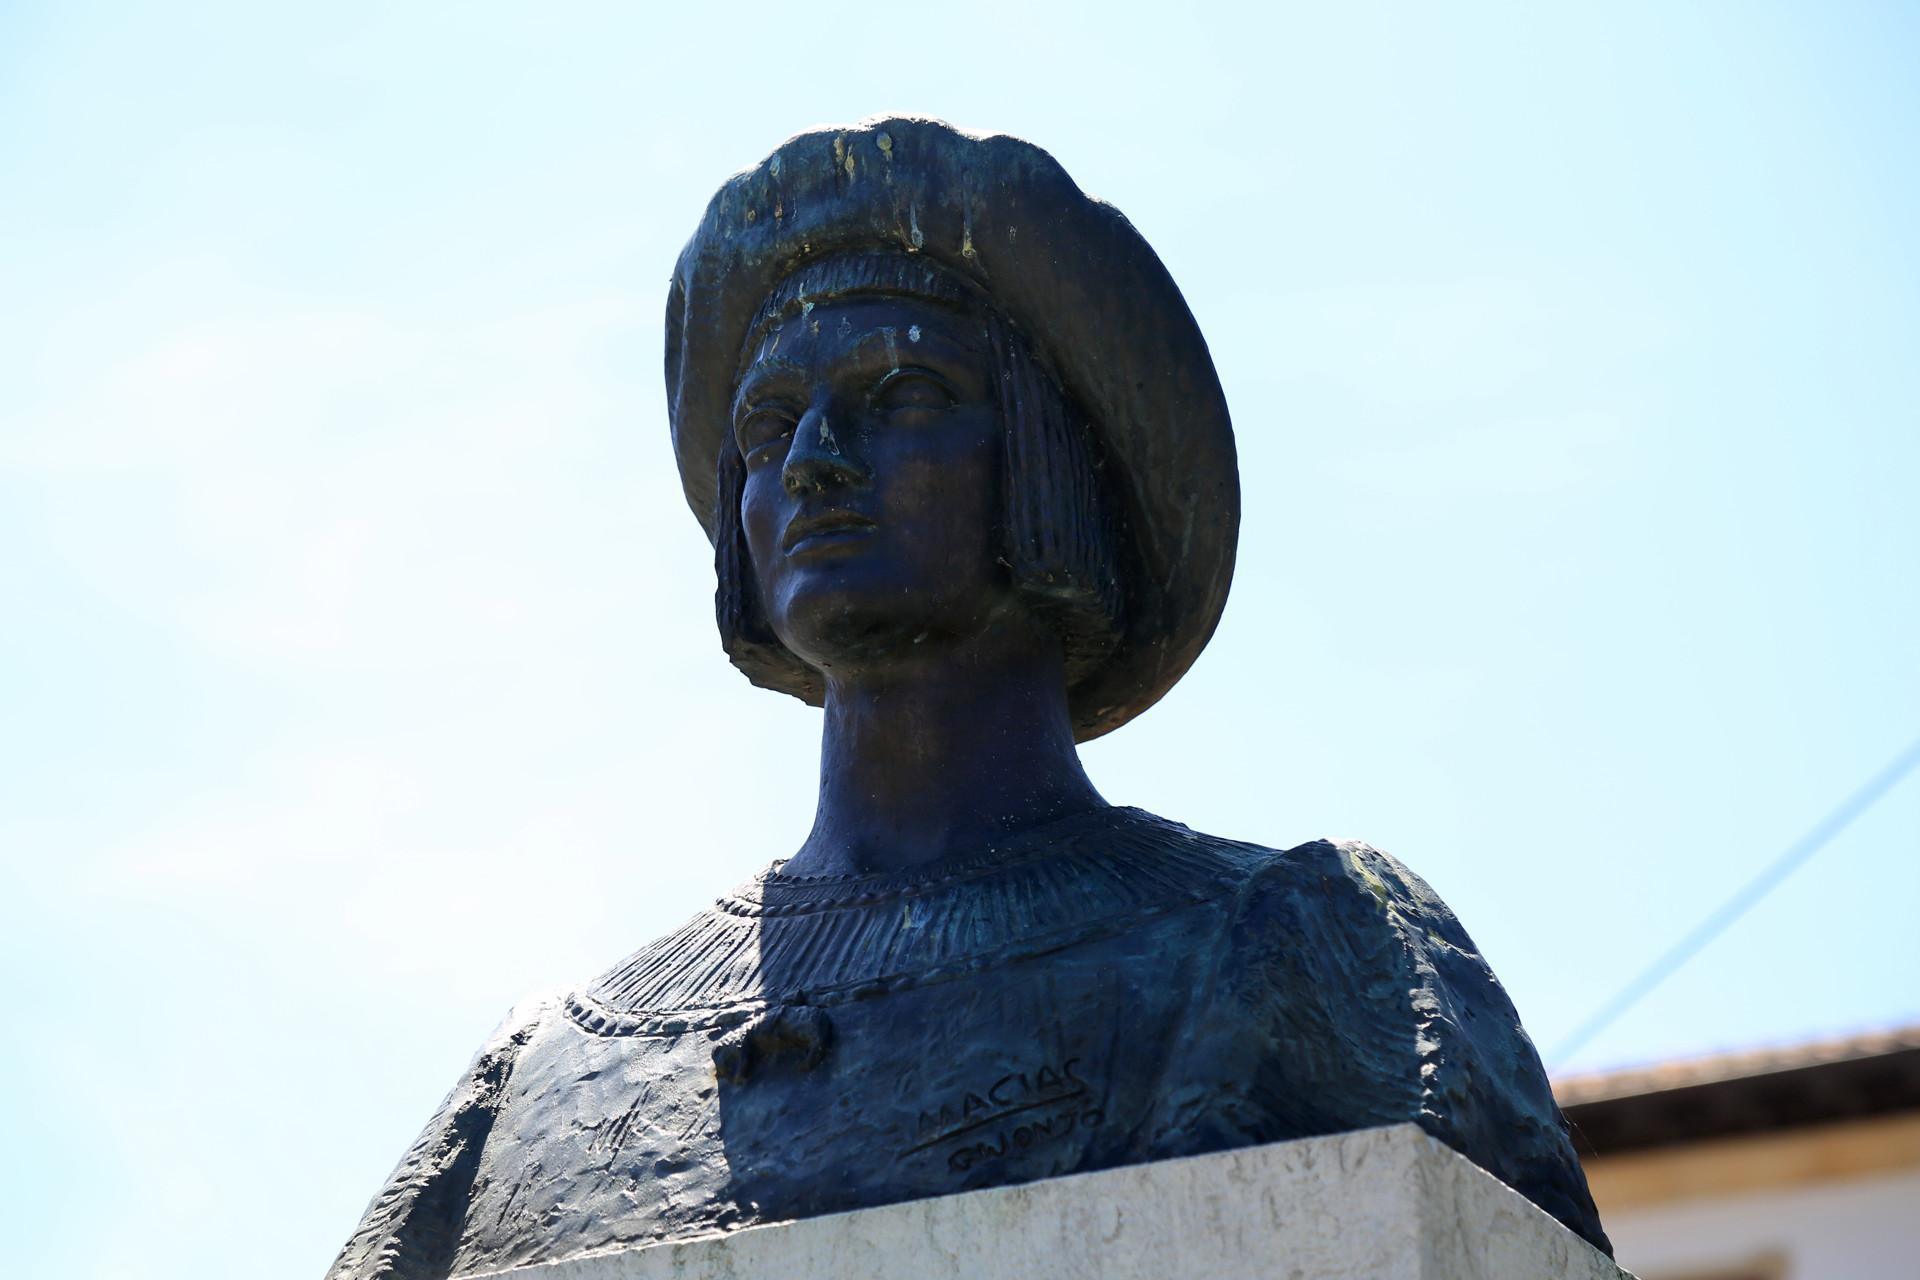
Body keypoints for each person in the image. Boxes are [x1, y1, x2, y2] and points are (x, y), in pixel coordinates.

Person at [327, 117, 1610, 1280]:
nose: (815, 462)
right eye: (769, 427)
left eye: (901, 396)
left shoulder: (1303, 958)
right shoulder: (540, 1074)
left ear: (1048, 465)